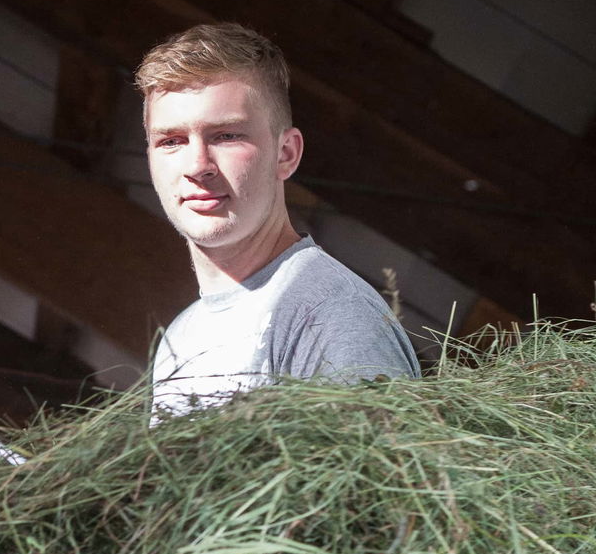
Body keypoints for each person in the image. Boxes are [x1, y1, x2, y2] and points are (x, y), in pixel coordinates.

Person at [138, 23, 418, 418]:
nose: (197, 166)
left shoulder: (328, 312)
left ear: (286, 153)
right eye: (171, 141)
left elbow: (381, 474)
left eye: (227, 136)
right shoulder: (179, 339)